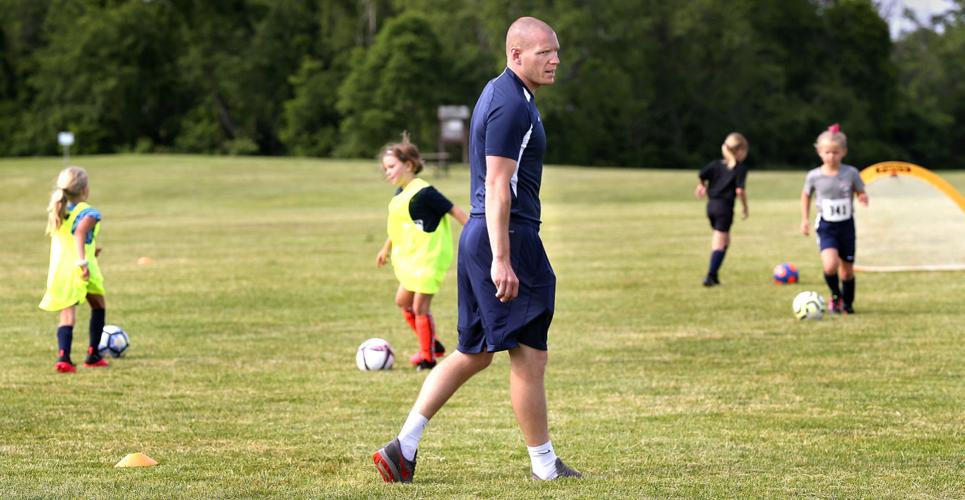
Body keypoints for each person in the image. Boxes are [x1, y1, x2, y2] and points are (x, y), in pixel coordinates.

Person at [372, 16, 581, 483]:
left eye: (556, 50)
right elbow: (497, 182)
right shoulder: (512, 105)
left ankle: (403, 446)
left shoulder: (501, 92)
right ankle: (545, 467)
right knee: (530, 354)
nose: (555, 59)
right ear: (515, 54)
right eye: (545, 51)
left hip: (482, 236)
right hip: (505, 238)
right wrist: (503, 257)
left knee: (474, 353)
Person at [375, 134, 468, 370]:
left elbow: (455, 210)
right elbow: (399, 225)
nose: (388, 172)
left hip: (430, 257)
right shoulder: (400, 194)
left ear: (408, 165)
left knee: (420, 308)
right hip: (412, 258)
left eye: (392, 167)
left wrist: (476, 234)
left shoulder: (425, 192)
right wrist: (386, 248)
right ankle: (432, 343)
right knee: (402, 302)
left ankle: (427, 358)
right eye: (386, 169)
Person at [39, 166, 109, 373]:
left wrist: (90, 249)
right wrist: (83, 262)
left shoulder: (60, 210)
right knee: (98, 306)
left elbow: (71, 239)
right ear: (85, 189)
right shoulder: (90, 212)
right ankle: (93, 355)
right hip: (83, 269)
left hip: (61, 271)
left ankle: (64, 359)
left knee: (67, 315)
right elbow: (79, 234)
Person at [801, 124, 868, 314]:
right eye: (827, 152)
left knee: (846, 271)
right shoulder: (814, 176)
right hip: (826, 226)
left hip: (846, 226)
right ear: (819, 152)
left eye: (836, 152)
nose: (831, 156)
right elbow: (805, 195)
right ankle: (836, 297)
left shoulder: (851, 173)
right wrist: (804, 219)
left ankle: (848, 304)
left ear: (844, 152)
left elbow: (860, 191)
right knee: (830, 266)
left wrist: (862, 197)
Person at [695, 133, 749, 286]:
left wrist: (701, 185)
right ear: (740, 150)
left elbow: (701, 174)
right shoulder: (739, 168)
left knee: (725, 241)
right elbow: (740, 191)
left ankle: (715, 275)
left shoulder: (716, 164)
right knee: (719, 243)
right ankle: (710, 276)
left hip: (711, 206)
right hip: (724, 208)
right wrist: (745, 207)